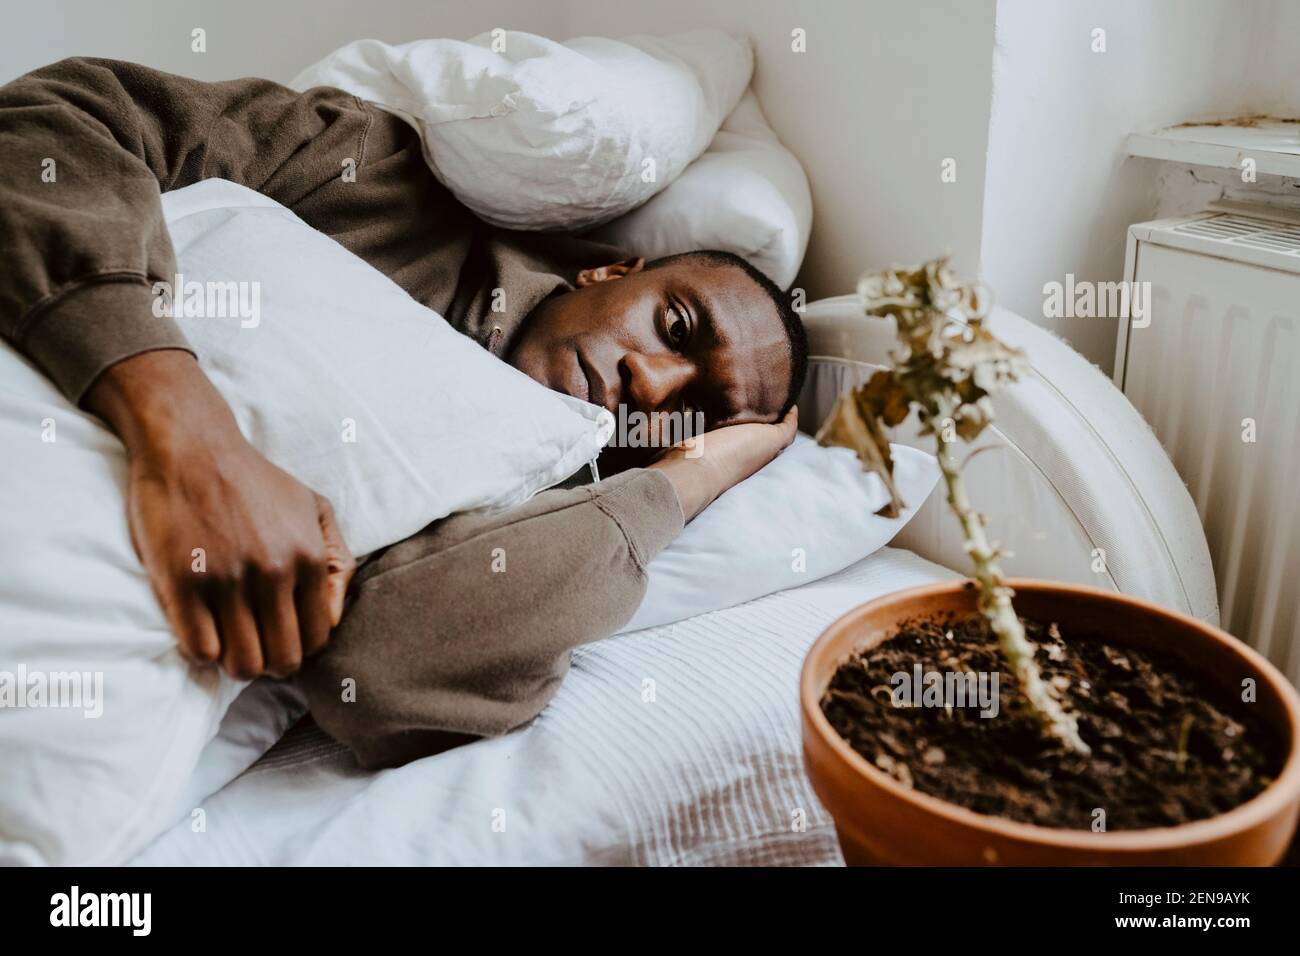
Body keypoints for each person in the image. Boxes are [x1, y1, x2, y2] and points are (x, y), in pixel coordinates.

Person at [0, 57, 807, 766]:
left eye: (697, 415)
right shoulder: (376, 182)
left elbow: (378, 675)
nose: (656, 386)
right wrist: (184, 431)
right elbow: (58, 121)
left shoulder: (556, 526)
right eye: (675, 326)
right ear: (608, 273)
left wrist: (691, 480)